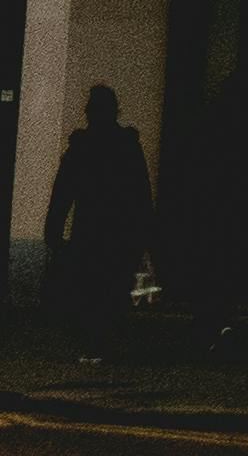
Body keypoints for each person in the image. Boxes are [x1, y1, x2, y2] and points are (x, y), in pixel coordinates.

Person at [39, 84, 144, 344]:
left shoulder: (82, 146)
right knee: (114, 281)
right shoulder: (128, 146)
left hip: (89, 226)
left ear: (90, 112)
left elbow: (63, 192)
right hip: (121, 228)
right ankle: (110, 334)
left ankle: (91, 336)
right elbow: (141, 193)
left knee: (88, 281)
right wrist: (144, 234)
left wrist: (53, 230)